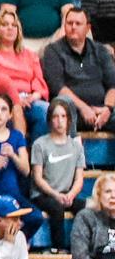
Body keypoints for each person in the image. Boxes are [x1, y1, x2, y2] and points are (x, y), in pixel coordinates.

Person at [43, 5, 115, 131]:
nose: (73, 27)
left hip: (102, 110)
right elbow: (57, 86)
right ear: (64, 26)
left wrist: (108, 108)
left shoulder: (101, 50)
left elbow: (112, 85)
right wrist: (83, 108)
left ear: (88, 28)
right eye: (70, 23)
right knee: (62, 104)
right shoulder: (52, 51)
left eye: (78, 23)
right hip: (72, 110)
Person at [31, 98, 88, 243]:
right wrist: (56, 195)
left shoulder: (76, 147)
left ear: (69, 120)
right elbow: (37, 178)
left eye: (63, 116)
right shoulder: (40, 144)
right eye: (55, 117)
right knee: (56, 209)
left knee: (86, 208)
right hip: (43, 194)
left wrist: (71, 194)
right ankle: (59, 248)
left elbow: (79, 178)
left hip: (67, 194)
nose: (59, 121)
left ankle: (82, 245)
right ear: (50, 120)